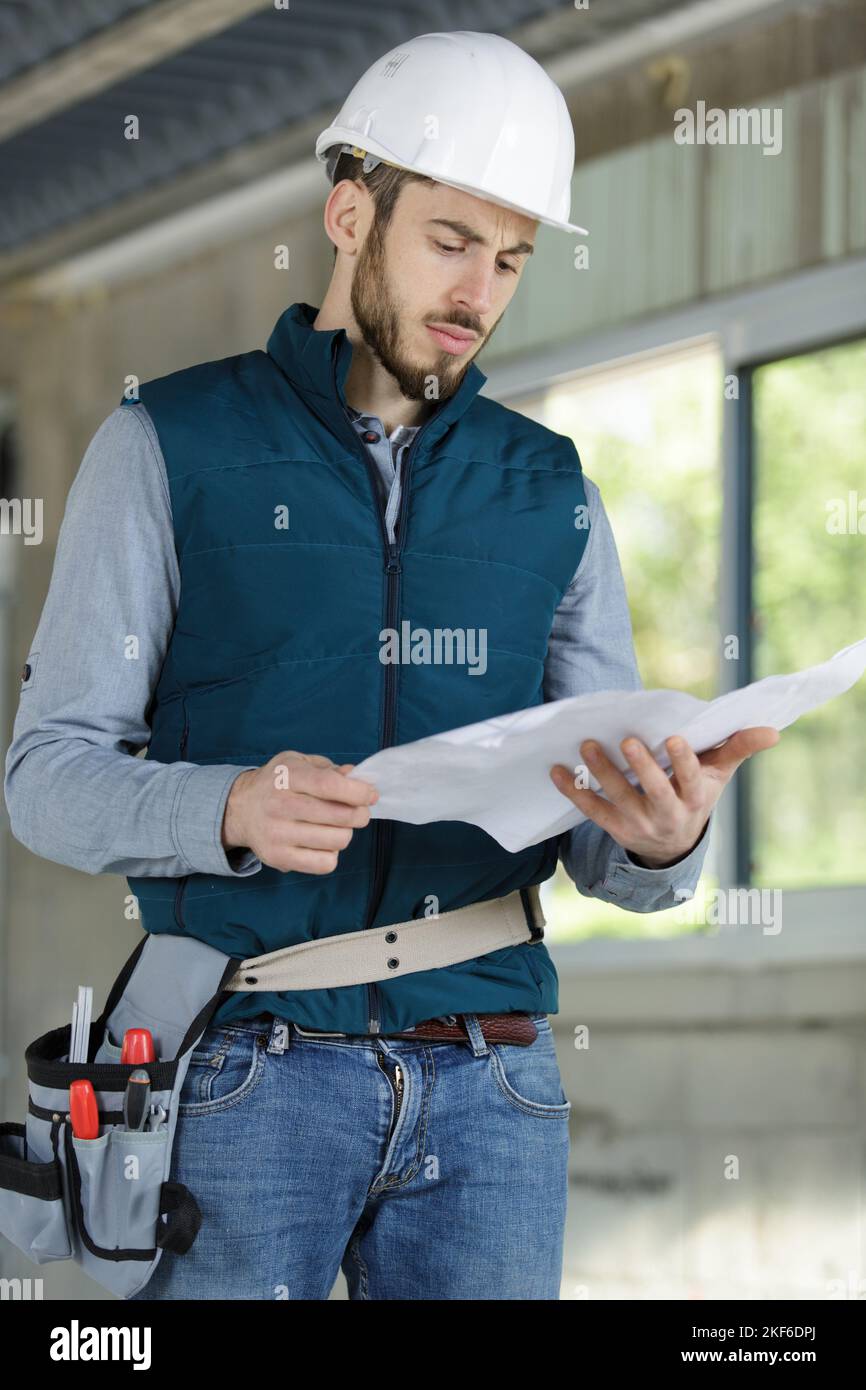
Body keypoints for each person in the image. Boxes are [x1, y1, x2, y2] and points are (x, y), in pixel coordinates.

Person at [3, 31, 777, 1300]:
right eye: (452, 240)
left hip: (495, 1087)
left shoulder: (549, 490)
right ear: (350, 213)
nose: (480, 288)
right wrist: (227, 806)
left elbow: (613, 861)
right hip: (245, 1079)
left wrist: (658, 840)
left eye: (512, 256)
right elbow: (45, 779)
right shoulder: (167, 443)